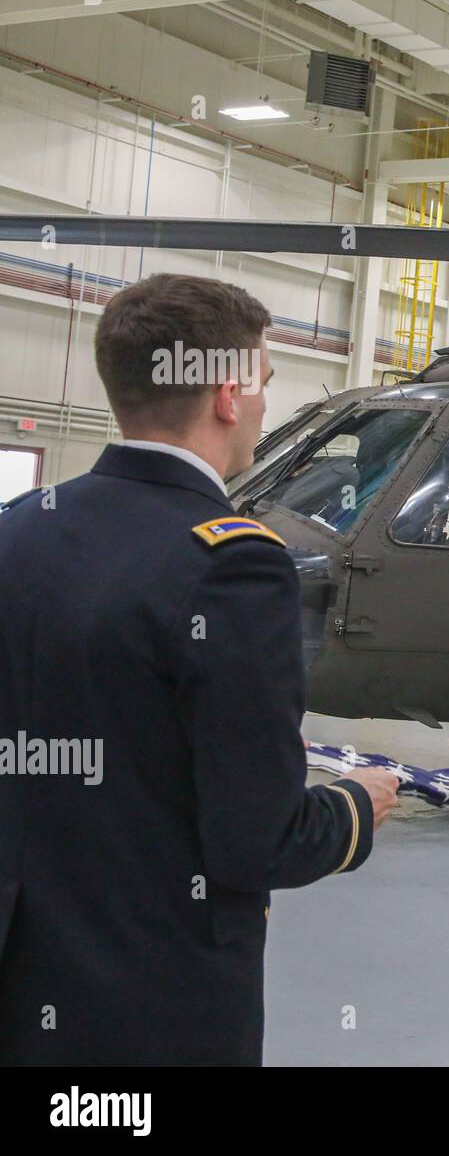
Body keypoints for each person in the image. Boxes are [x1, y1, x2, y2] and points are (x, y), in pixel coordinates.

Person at [0, 272, 399, 1066]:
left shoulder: (21, 532)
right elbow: (260, 841)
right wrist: (355, 810)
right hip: (151, 1005)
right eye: (263, 384)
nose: (262, 407)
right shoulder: (234, 565)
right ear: (226, 394)